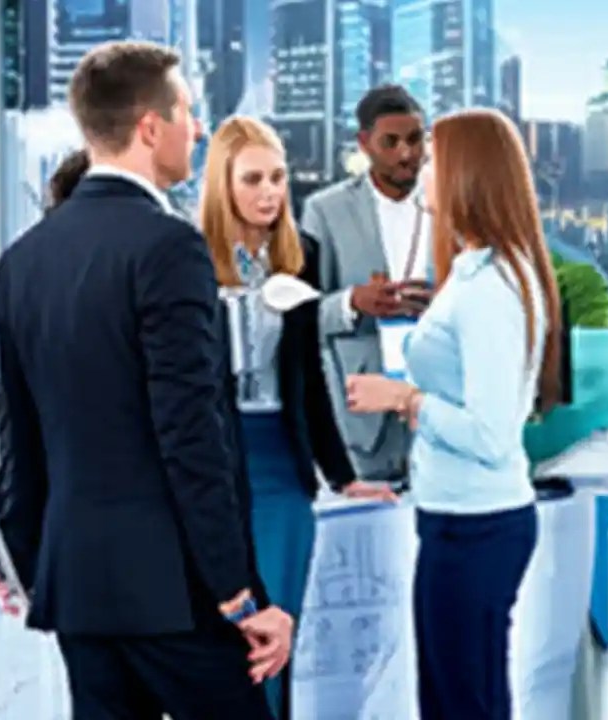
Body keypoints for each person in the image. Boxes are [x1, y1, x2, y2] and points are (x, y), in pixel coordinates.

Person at [0, 41, 289, 719]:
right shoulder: (168, 245)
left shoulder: (22, 260)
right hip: (174, 588)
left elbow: (21, 441)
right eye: (188, 111)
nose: (199, 128)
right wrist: (239, 591)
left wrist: (34, 567)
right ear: (150, 127)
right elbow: (190, 433)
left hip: (79, 588)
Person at [345, 108, 563, 719]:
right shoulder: (478, 272)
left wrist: (407, 400)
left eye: (435, 157)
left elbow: (493, 435)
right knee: (459, 698)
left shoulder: (493, 287)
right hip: (459, 520)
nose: (420, 165)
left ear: (469, 173)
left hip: (477, 526)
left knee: (463, 702)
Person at [197, 115, 396, 717]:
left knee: (280, 632)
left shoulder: (299, 256)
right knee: (225, 644)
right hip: (214, 469)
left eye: (278, 177)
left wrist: (341, 474)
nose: (269, 192)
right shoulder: (188, 258)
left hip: (283, 471)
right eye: (253, 178)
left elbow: (310, 377)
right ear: (223, 185)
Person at [300, 84, 430, 490]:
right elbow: (302, 317)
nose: (406, 153)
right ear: (364, 143)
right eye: (390, 142)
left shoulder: (449, 204)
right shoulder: (325, 210)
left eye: (414, 139)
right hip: (361, 419)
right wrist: (352, 303)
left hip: (435, 405)